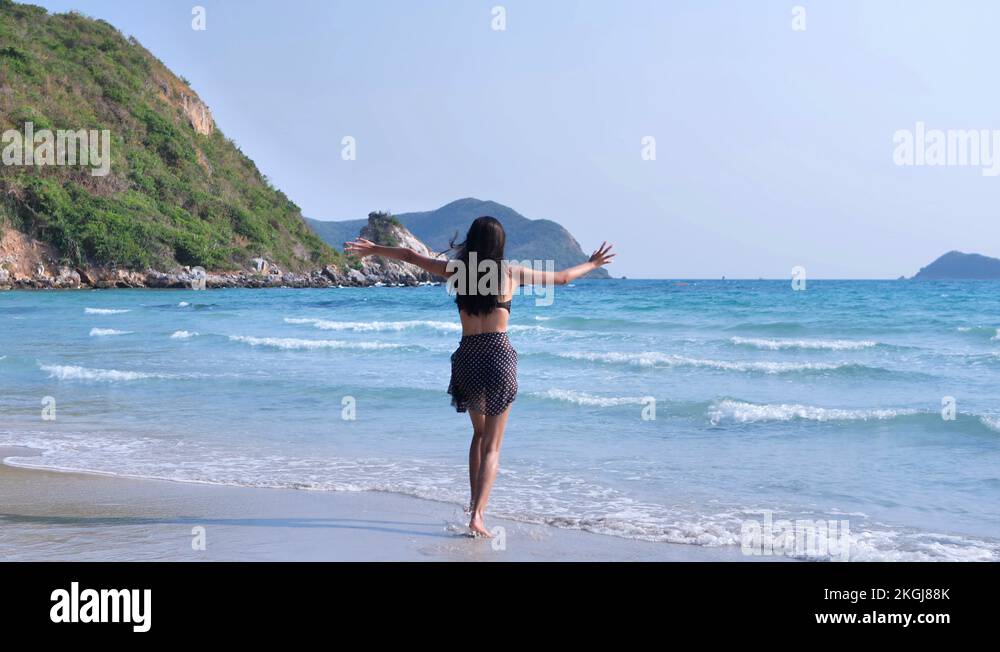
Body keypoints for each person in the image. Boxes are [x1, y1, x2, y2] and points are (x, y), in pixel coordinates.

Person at [345, 216, 615, 537]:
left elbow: (409, 256)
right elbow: (563, 278)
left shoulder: (458, 272)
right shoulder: (511, 273)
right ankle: (478, 516)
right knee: (493, 446)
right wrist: (592, 263)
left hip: (468, 356)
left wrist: (374, 248)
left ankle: (474, 508)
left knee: (478, 434)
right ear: (499, 245)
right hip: (499, 356)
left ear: (471, 241)